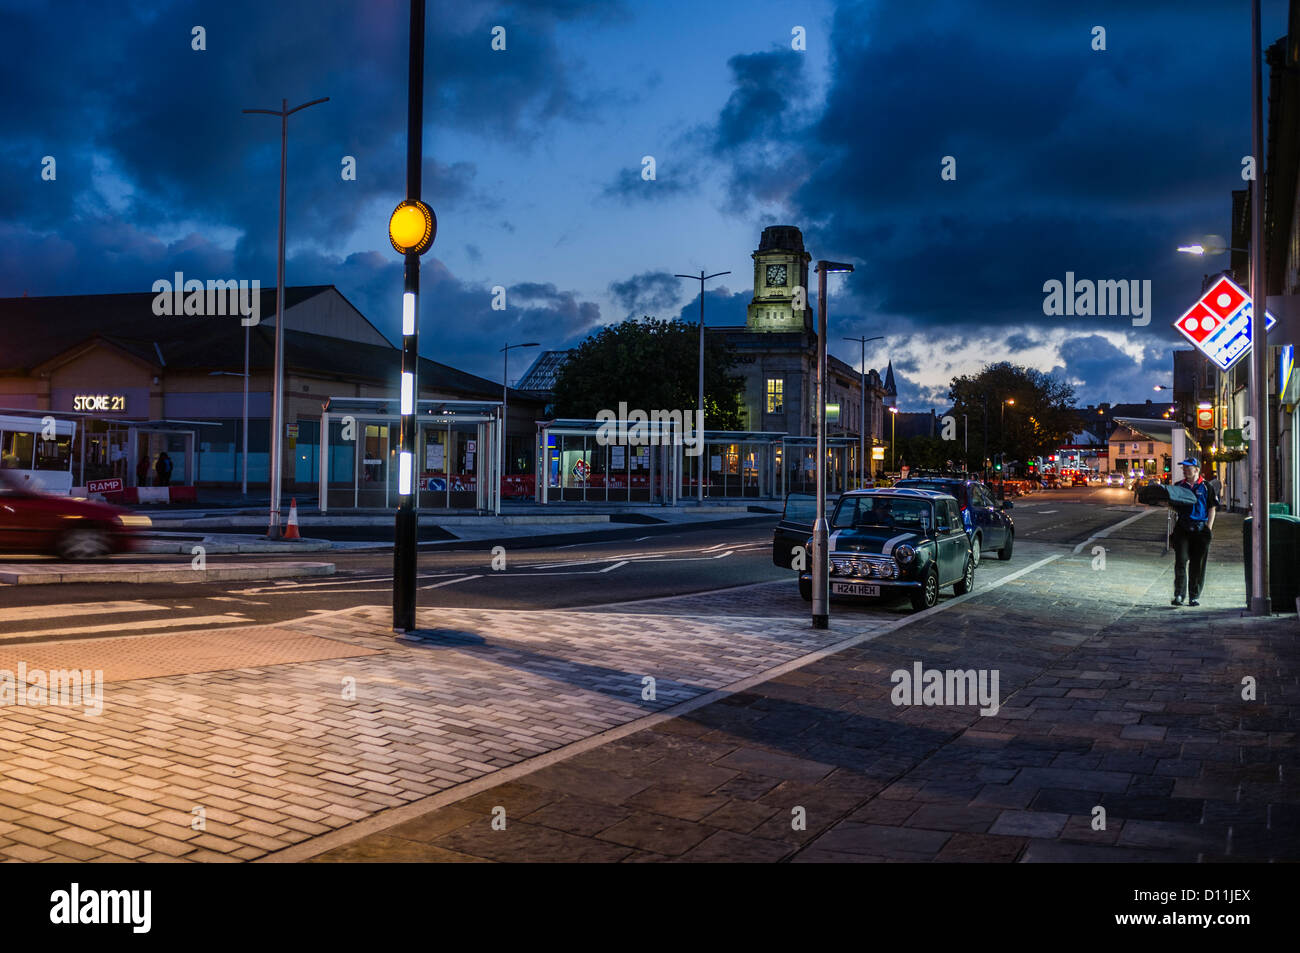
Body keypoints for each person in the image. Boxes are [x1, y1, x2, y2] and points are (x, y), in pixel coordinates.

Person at [1169, 457, 1218, 607]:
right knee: (1181, 561)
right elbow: (1173, 506)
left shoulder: (1206, 487)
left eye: (1188, 468)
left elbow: (1212, 508)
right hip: (1183, 528)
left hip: (1200, 529)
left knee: (1198, 564)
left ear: (1196, 469)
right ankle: (1179, 595)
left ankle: (1194, 596)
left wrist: (1208, 528)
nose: (1184, 471)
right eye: (1183, 468)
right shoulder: (1179, 486)